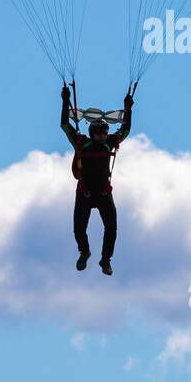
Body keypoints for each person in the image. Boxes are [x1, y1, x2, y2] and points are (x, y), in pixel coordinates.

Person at [61, 84, 133, 275]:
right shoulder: (81, 143)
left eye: (105, 133)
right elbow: (65, 125)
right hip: (84, 192)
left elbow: (125, 130)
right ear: (92, 132)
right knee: (78, 230)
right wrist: (65, 101)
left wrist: (129, 109)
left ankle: (105, 260)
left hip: (102, 193)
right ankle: (84, 252)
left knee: (111, 228)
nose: (103, 136)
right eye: (99, 133)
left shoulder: (110, 143)